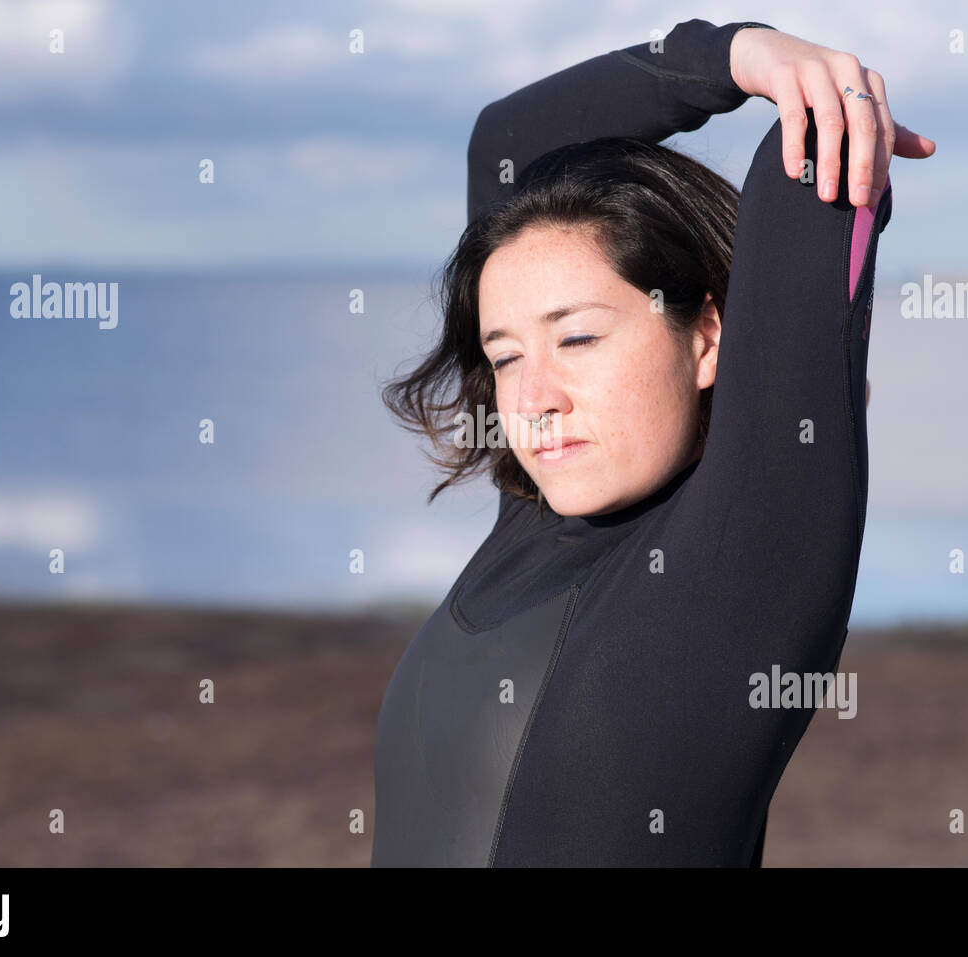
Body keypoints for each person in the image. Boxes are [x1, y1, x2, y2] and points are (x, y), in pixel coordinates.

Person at [372, 18, 935, 866]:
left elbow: (816, 151)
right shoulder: (531, 527)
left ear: (708, 335)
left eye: (580, 338)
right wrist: (728, 54)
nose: (534, 400)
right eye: (505, 356)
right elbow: (508, 146)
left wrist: (775, 70)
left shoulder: (748, 559)